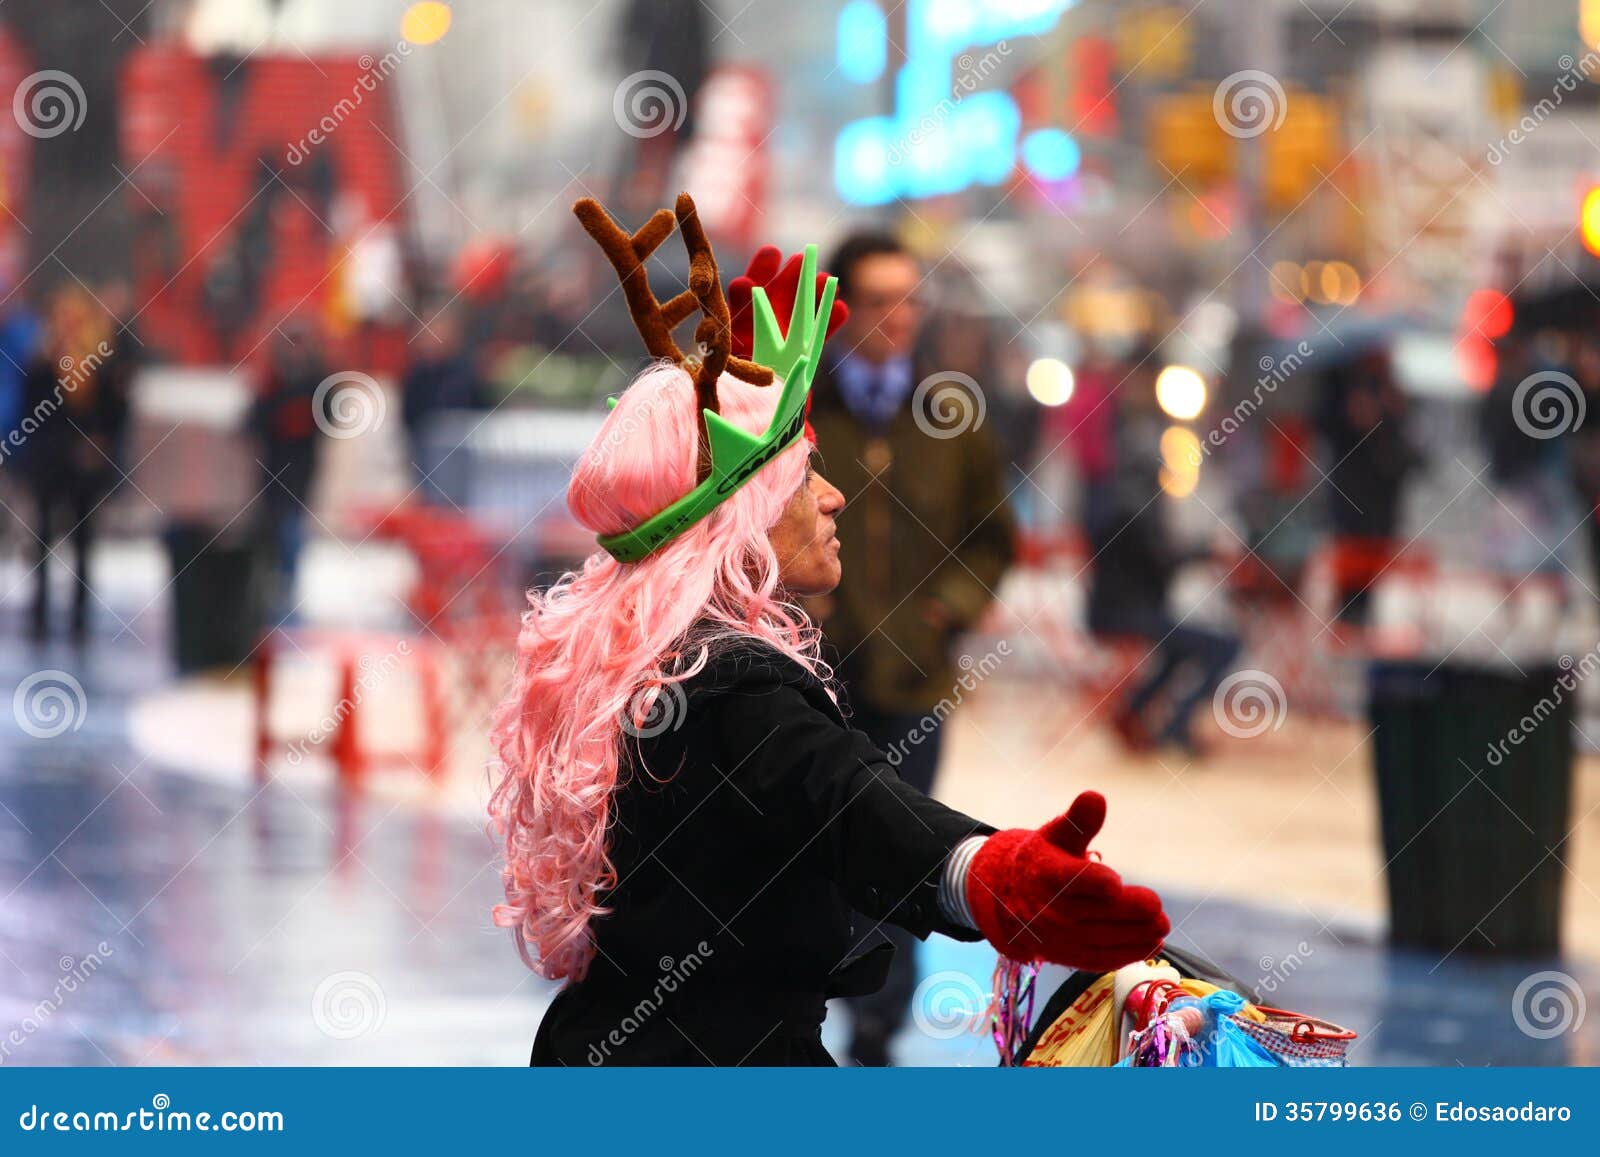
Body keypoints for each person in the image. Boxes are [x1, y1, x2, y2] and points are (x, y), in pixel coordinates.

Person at [489, 195, 1168, 1067]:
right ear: (743, 516)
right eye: (804, 477)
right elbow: (851, 807)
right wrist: (990, 873)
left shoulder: (644, 656)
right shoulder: (741, 686)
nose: (833, 495)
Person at [800, 231, 1016, 1065]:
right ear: (841, 310)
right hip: (818, 679)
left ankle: (878, 1030)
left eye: (910, 299)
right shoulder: (803, 411)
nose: (899, 318)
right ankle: (802, 1015)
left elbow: (992, 538)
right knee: (813, 854)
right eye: (880, 300)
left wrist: (948, 608)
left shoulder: (952, 413)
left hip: (916, 682)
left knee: (896, 852)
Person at [1086, 358, 1239, 756]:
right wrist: (1205, 552)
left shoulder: (1113, 500)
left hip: (1116, 609)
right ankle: (1176, 724)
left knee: (1180, 646)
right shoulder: (1136, 508)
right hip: (1129, 613)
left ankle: (1132, 713)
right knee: (1223, 646)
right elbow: (1161, 560)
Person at [20, 288, 126, 643]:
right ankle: (39, 617)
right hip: (50, 466)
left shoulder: (101, 365)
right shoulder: (40, 364)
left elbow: (115, 414)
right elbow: (32, 416)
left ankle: (79, 620)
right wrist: (66, 447)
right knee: (42, 540)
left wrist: (98, 446)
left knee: (83, 543)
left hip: (85, 471)